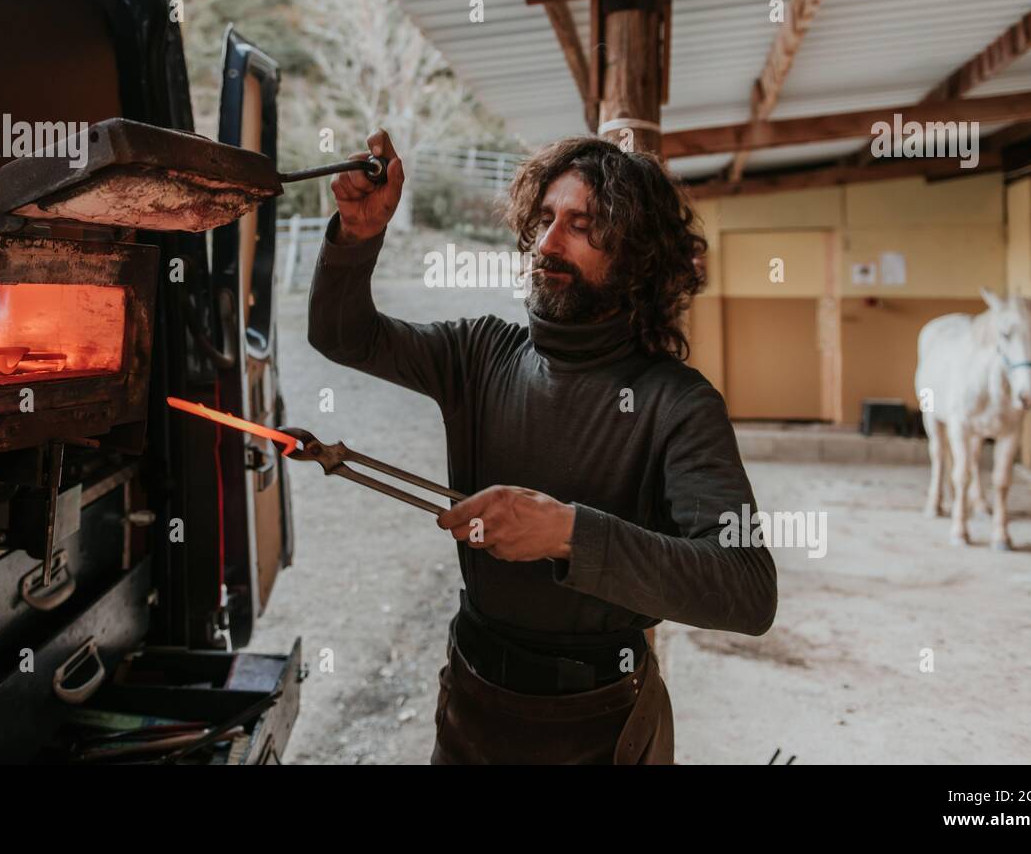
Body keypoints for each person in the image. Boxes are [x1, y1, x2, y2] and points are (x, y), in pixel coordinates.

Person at [308, 128, 777, 764]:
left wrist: (567, 533)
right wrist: (357, 236)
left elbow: (747, 588)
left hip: (600, 722)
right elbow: (344, 336)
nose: (549, 244)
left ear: (638, 256)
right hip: (471, 700)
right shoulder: (479, 353)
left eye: (583, 226)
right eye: (547, 219)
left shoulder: (679, 403)